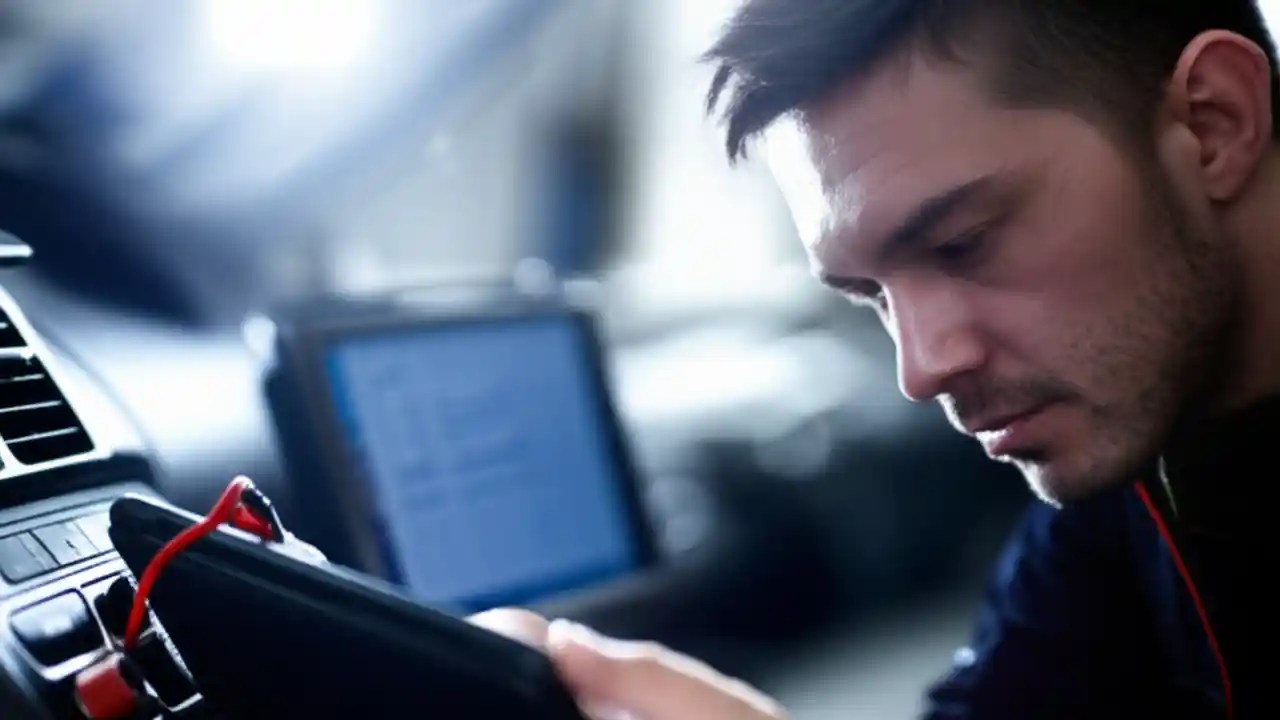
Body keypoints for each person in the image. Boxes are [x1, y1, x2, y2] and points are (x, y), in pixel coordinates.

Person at [474, 1, 1280, 717]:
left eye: (963, 243)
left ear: (1215, 123)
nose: (921, 370)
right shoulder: (1124, 481)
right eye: (871, 295)